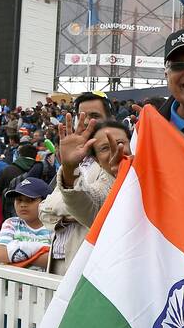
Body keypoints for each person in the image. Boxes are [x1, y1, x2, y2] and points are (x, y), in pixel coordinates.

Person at [39, 117, 130, 274]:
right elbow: (84, 203)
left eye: (120, 142)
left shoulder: (152, 176)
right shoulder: (104, 185)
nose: (116, 149)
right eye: (104, 148)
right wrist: (69, 168)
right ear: (96, 160)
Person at [0, 177, 54, 270]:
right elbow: (0, 254)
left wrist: (14, 252)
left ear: (45, 202)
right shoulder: (11, 223)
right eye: (19, 200)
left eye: (30, 200)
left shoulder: (53, 227)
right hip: (11, 283)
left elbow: (54, 260)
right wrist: (43, 249)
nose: (22, 205)